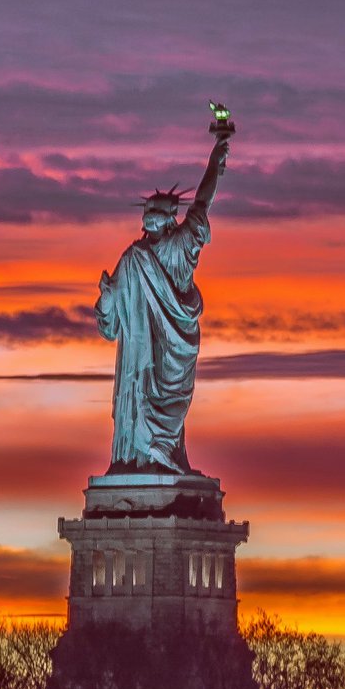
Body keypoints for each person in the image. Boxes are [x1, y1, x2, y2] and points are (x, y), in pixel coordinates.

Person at [95, 131, 230, 474]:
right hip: (166, 354)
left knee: (149, 395)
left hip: (159, 354)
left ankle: (146, 457)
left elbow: (108, 327)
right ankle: (147, 458)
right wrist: (216, 161)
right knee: (155, 396)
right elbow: (202, 204)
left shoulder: (138, 257)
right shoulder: (147, 255)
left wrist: (108, 300)